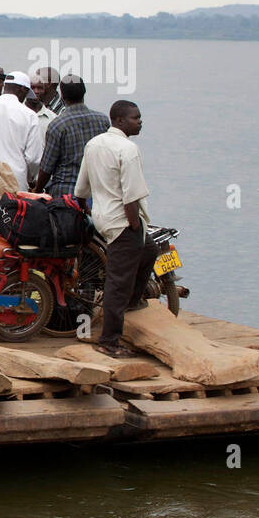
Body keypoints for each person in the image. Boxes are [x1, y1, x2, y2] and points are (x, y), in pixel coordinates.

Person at [75, 101, 159, 359]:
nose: (140, 122)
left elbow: (81, 189)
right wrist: (134, 224)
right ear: (120, 121)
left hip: (102, 218)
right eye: (136, 118)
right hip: (123, 222)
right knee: (117, 283)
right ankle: (109, 341)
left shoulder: (94, 144)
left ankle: (133, 301)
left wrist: (85, 208)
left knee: (150, 250)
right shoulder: (128, 149)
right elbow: (131, 195)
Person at [33, 75, 110, 197]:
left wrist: (37, 190)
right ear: (84, 92)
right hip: (96, 189)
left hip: (66, 192)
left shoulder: (57, 125)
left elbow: (47, 167)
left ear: (62, 96)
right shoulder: (103, 120)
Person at [0, 71, 43, 191]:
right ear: (23, 90)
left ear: (5, 86)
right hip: (16, 181)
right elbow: (33, 159)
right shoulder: (30, 115)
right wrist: (30, 179)